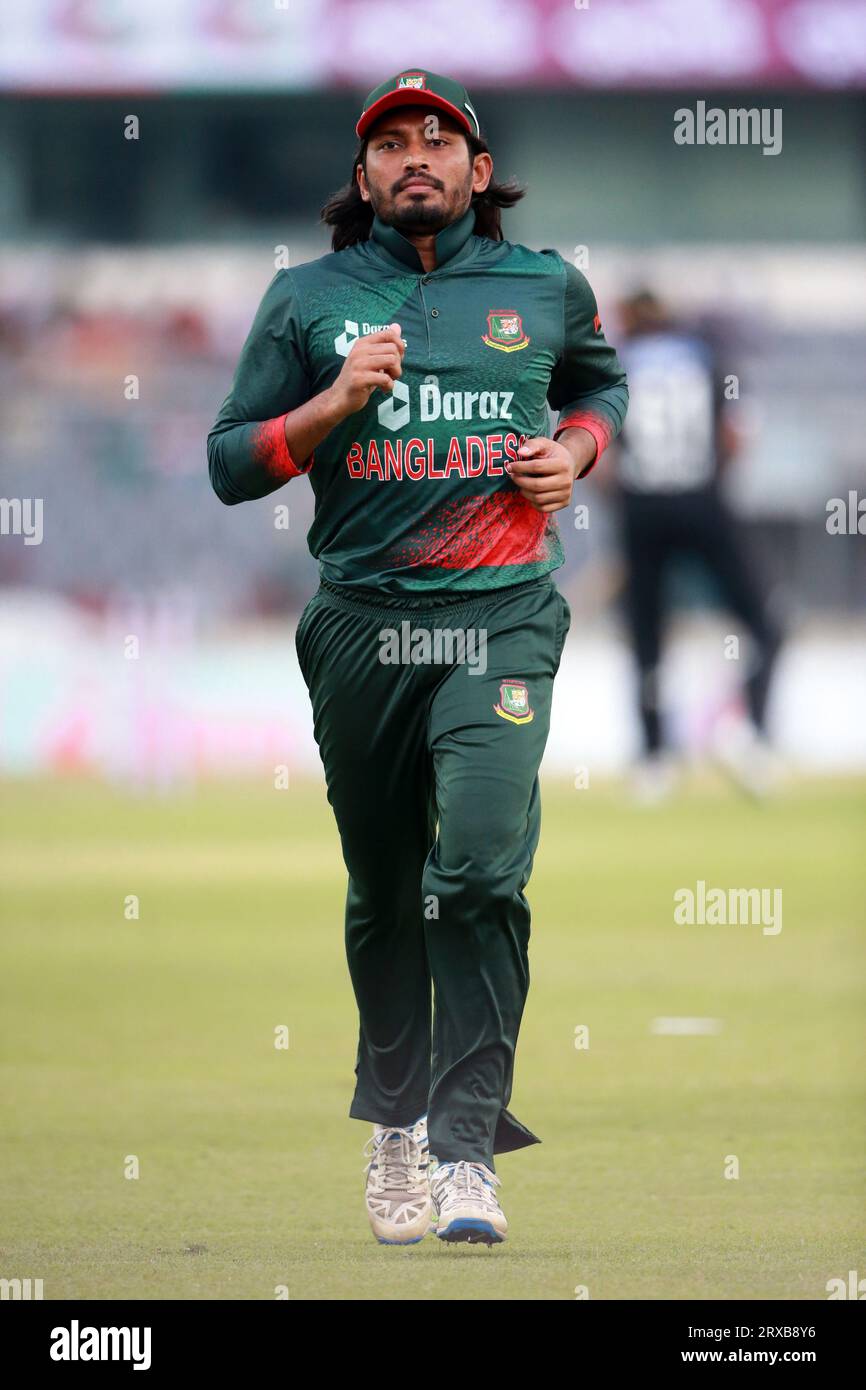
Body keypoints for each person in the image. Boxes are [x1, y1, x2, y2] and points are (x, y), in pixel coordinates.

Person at [207, 69, 628, 1245]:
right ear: (362, 180)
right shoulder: (303, 300)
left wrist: (578, 449)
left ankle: (464, 1154)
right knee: (386, 888)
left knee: (482, 870)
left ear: (478, 171)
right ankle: (393, 1128)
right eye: (389, 144)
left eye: (436, 140)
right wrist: (330, 404)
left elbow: (599, 383)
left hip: (498, 617)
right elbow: (229, 463)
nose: (414, 158)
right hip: (361, 624)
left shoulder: (545, 286)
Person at [610, 290, 783, 799]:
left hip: (642, 509)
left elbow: (598, 440)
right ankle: (746, 733)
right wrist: (712, 485)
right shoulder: (706, 357)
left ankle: (654, 760)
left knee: (646, 634)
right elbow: (737, 435)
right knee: (766, 622)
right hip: (704, 503)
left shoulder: (618, 363)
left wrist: (624, 499)